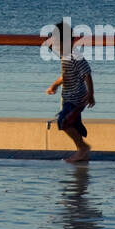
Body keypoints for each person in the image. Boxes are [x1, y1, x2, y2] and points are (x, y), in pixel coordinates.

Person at [46, 20, 95, 162]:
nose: (55, 47)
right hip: (69, 97)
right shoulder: (65, 56)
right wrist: (55, 85)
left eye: (58, 44)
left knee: (63, 122)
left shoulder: (75, 55)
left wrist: (90, 94)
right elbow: (66, 75)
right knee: (73, 124)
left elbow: (87, 74)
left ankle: (83, 148)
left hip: (77, 98)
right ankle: (82, 152)